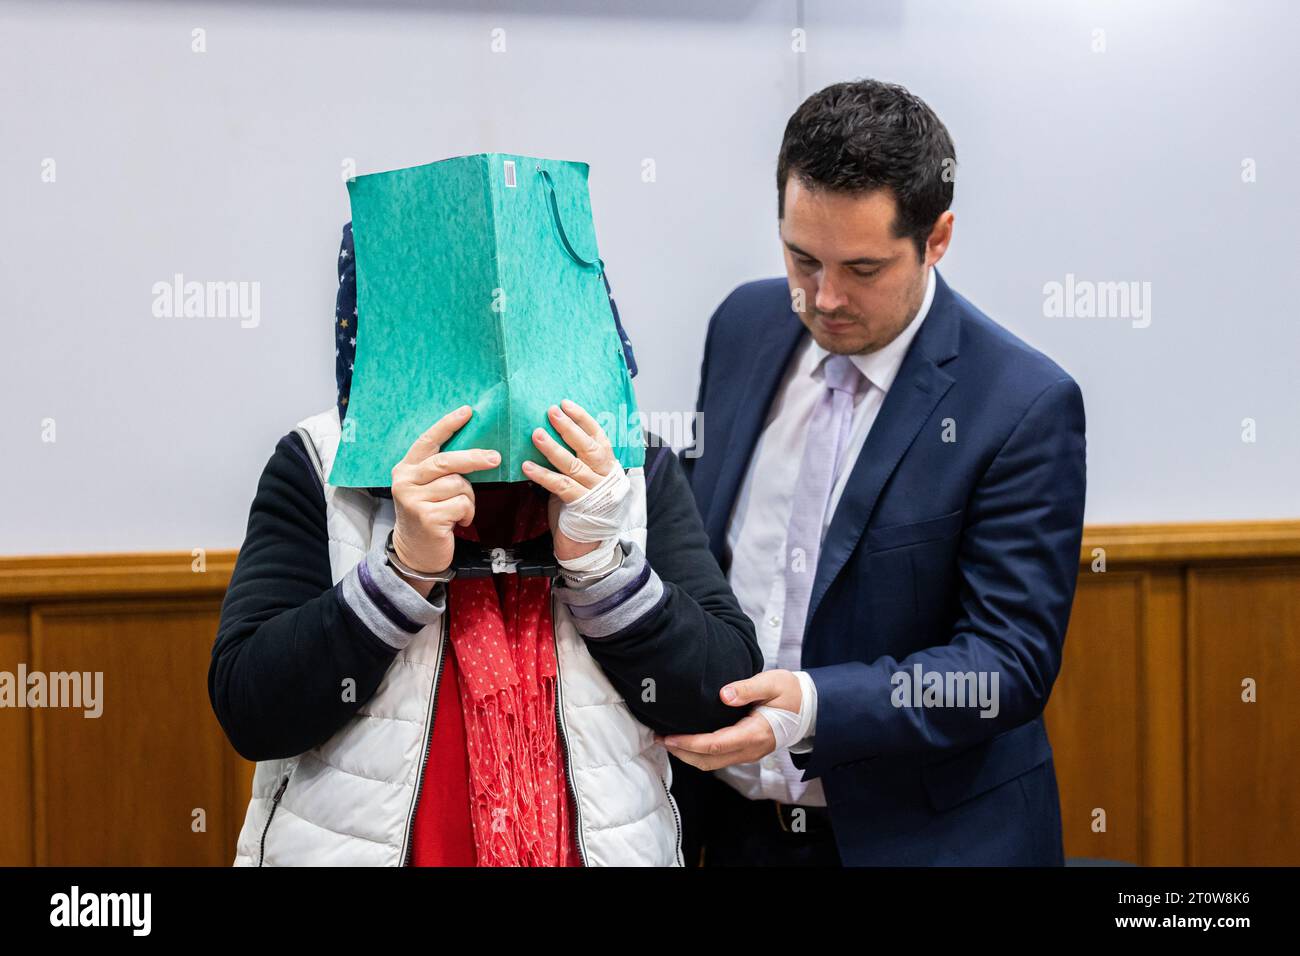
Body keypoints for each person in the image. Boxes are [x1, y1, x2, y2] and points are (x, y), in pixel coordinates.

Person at [209, 222, 760, 866]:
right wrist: (401, 573)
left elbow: (724, 693)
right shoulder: (322, 464)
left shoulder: (630, 467)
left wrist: (599, 565)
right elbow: (252, 712)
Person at [665, 78, 1087, 866]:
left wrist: (814, 705)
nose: (823, 299)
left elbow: (1006, 664)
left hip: (916, 839)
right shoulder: (744, 324)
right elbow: (705, 551)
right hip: (721, 827)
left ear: (937, 238)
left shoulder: (1022, 404)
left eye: (862, 268)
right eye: (801, 258)